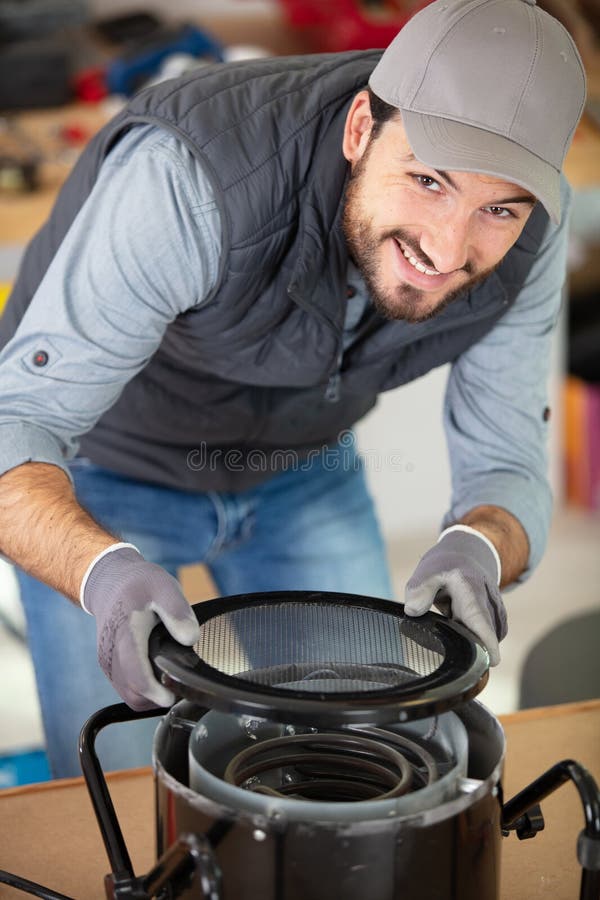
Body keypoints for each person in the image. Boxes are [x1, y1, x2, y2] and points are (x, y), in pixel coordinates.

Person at [0, 0, 586, 778]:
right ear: (360, 130)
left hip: (304, 468)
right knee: (122, 783)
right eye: (427, 180)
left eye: (498, 208)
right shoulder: (189, 179)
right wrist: (100, 572)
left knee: (367, 758)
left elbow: (508, 458)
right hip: (108, 472)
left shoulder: (534, 231)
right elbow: (17, 425)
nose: (448, 249)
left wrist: (480, 545)